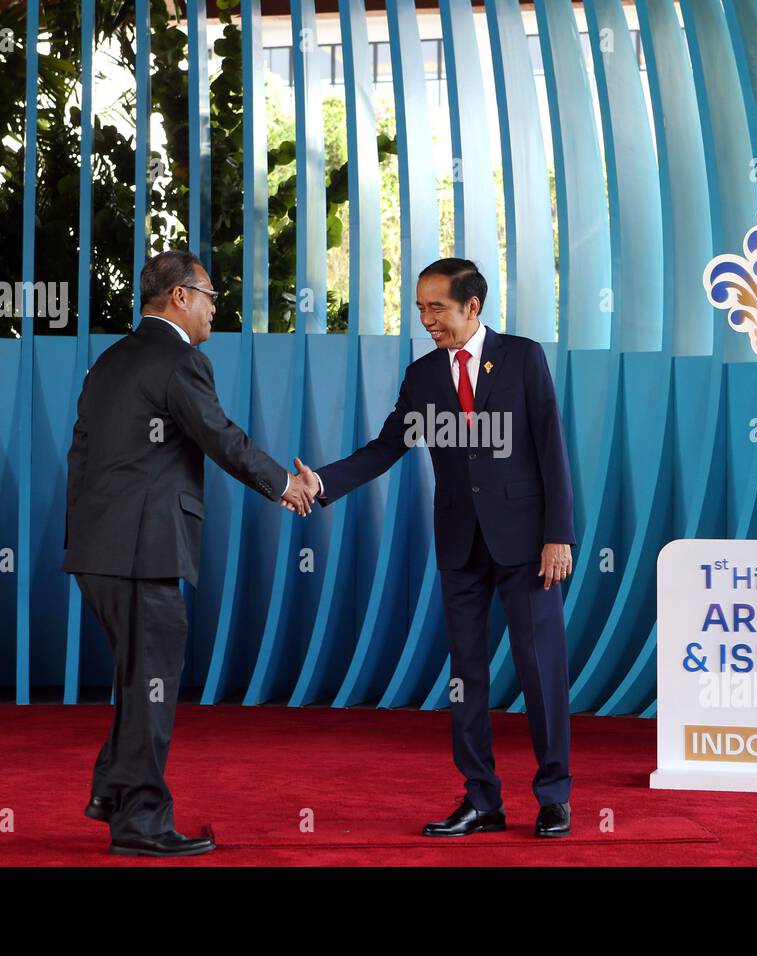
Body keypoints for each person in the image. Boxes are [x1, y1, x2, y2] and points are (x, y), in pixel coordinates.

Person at [290, 258, 576, 837]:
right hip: (460, 544)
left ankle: (554, 796)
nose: (426, 319)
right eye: (420, 308)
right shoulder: (422, 377)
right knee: (466, 675)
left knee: (540, 671)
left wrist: (558, 536)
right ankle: (481, 799)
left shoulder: (523, 358)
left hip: (528, 543)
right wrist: (322, 483)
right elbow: (385, 448)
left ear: (472, 306)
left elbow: (551, 449)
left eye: (436, 308)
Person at [62, 249, 313, 857]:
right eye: (209, 297)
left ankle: (111, 791)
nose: (212, 310)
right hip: (144, 553)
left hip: (97, 553)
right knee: (152, 683)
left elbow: (80, 455)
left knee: (135, 679)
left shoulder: (111, 360)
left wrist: (84, 539)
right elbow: (220, 436)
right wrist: (285, 484)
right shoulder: (181, 360)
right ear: (180, 296)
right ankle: (142, 824)